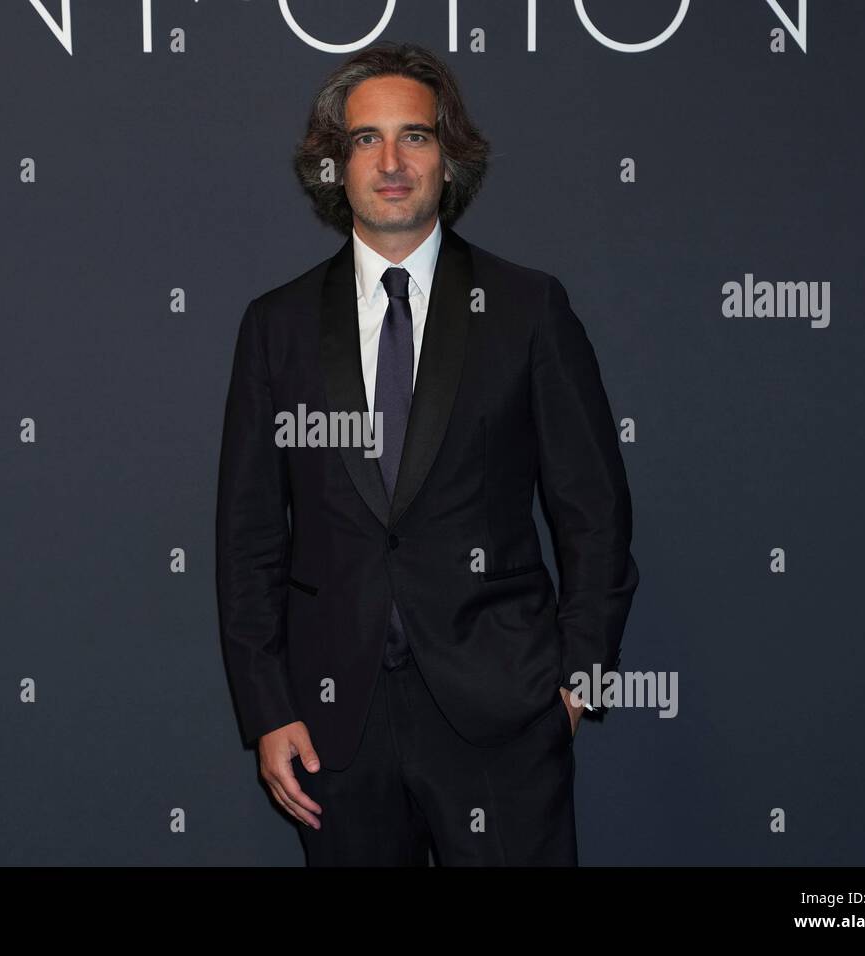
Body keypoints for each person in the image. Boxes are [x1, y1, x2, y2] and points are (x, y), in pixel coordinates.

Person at [215, 41, 639, 866]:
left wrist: (577, 686)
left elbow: (595, 512)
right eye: (366, 140)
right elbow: (248, 538)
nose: (392, 161)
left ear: (450, 160)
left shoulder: (528, 307)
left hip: (505, 715)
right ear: (334, 167)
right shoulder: (278, 326)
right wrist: (267, 709)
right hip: (336, 725)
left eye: (415, 136)